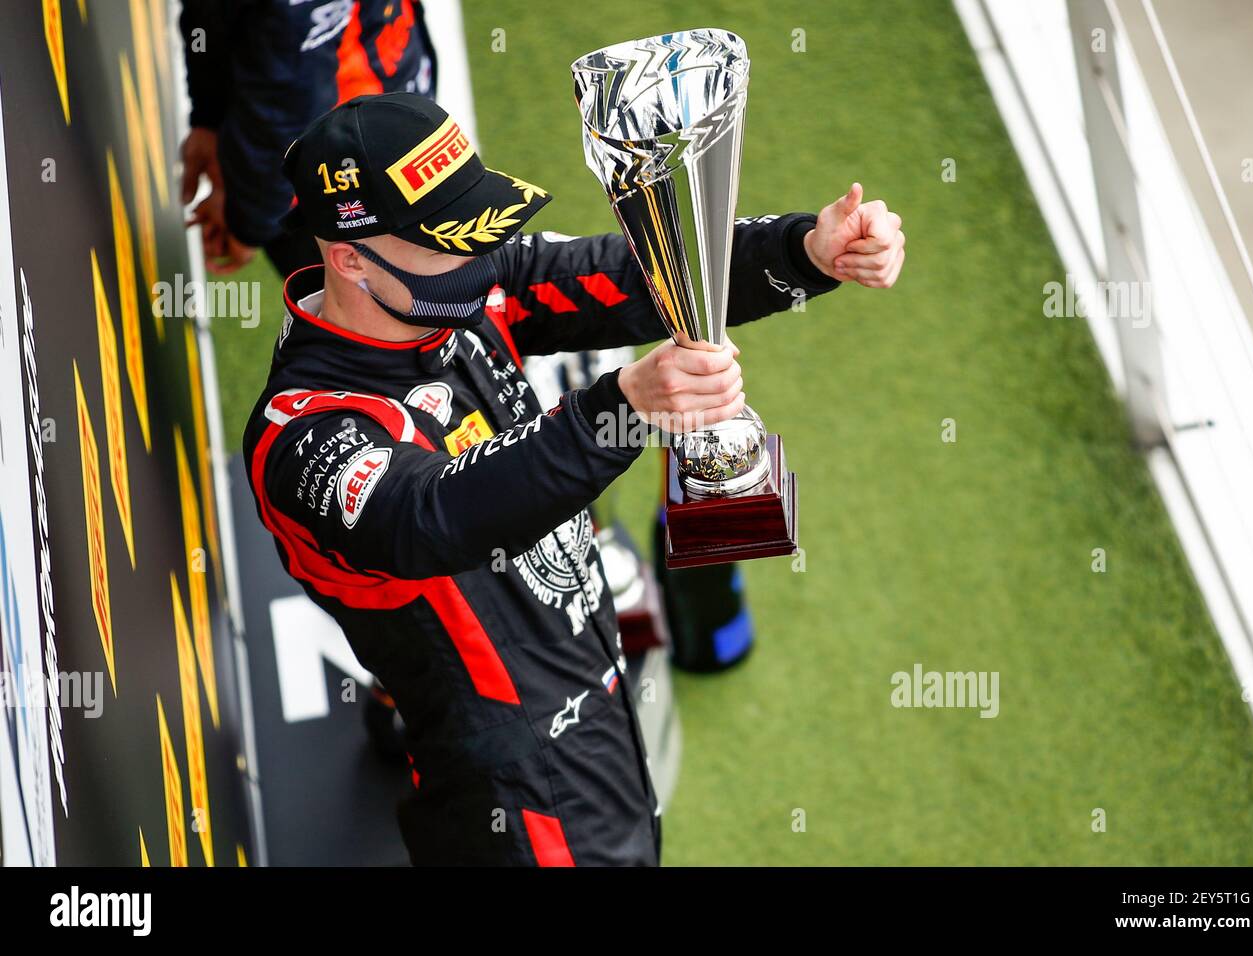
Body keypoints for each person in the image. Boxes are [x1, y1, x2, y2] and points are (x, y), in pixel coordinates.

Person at [241, 92, 905, 866]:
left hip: (594, 713)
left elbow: (622, 274)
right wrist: (618, 408)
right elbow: (437, 515)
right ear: (351, 257)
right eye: (449, 240)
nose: (480, 256)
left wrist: (800, 253)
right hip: (518, 797)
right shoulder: (307, 433)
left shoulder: (463, 290)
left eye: (478, 225)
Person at [178, 0, 436, 277]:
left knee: (385, 307)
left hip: (343, 171)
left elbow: (290, 105)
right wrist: (210, 117)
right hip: (374, 115)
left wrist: (250, 219)